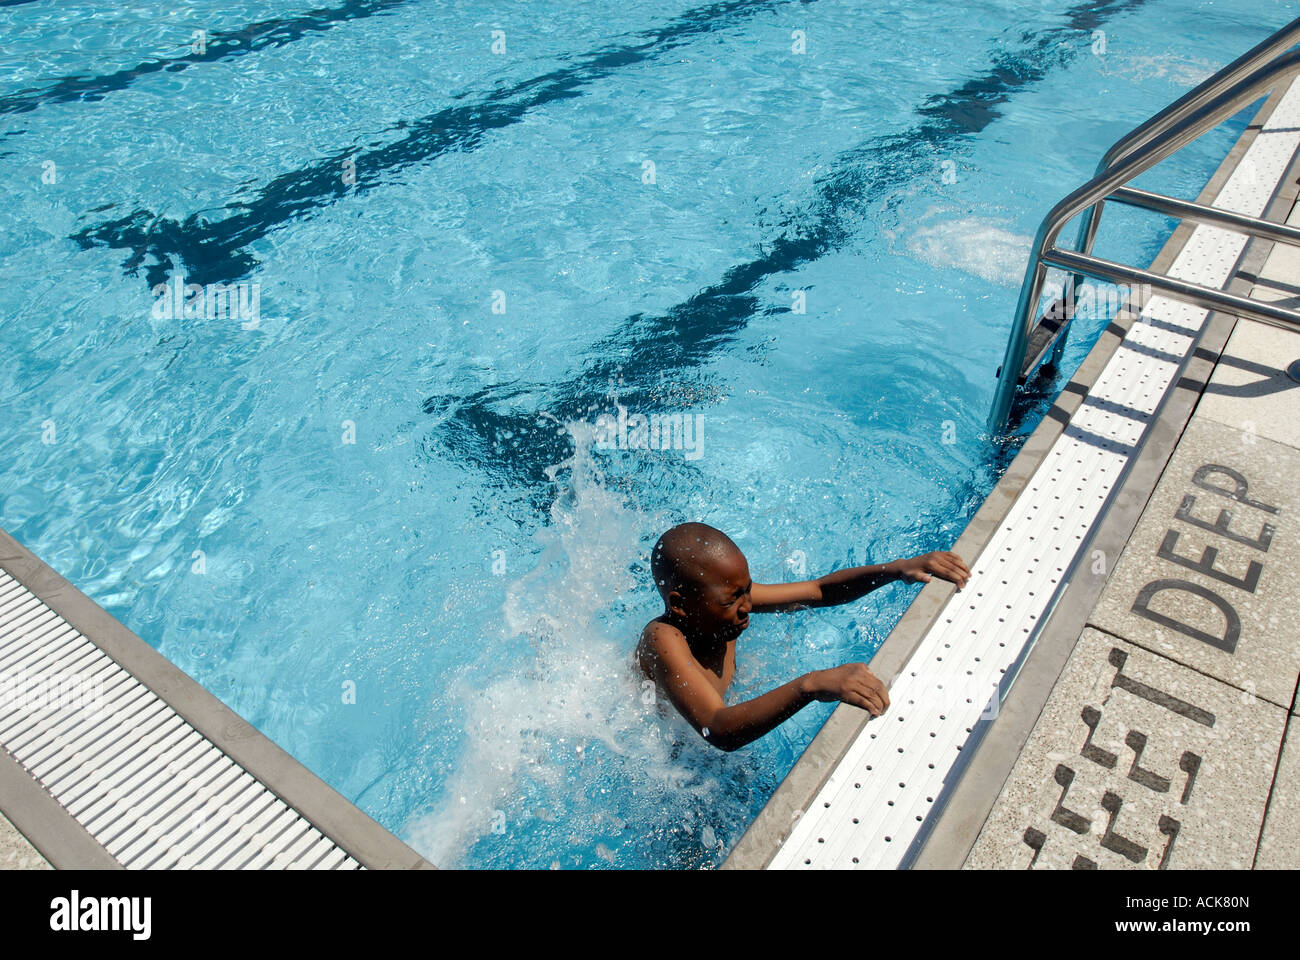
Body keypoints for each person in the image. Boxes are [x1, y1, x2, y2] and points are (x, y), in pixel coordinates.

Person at [636, 522, 971, 751]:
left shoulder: (726, 608)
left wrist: (896, 569)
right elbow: (716, 727)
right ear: (680, 605)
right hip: (668, 748)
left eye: (748, 591)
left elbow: (818, 591)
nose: (747, 607)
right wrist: (809, 685)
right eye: (732, 600)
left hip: (713, 729)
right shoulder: (663, 640)